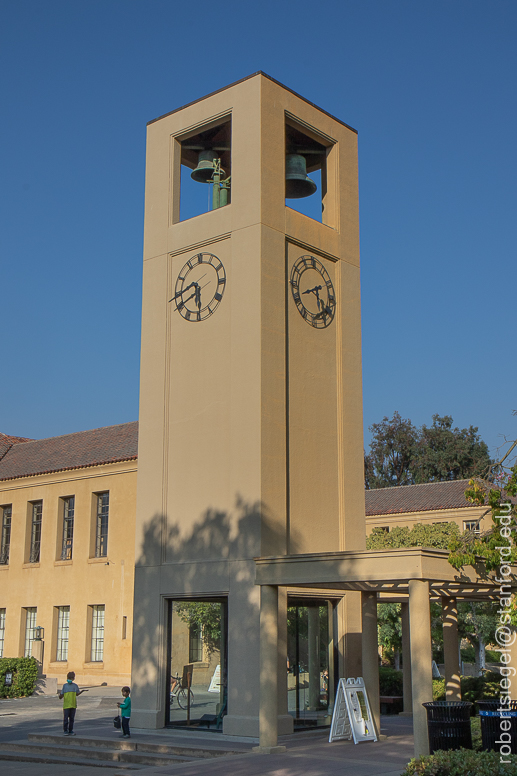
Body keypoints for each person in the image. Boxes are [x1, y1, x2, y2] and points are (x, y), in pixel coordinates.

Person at [59, 671, 85, 736]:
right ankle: (65, 730)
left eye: (71, 678)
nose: (70, 679)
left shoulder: (75, 686)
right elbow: (61, 695)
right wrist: (60, 696)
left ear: (73, 678)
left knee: (72, 719)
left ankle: (70, 730)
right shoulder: (65, 686)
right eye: (69, 678)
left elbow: (77, 694)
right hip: (66, 705)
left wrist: (82, 691)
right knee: (65, 719)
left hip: (73, 705)